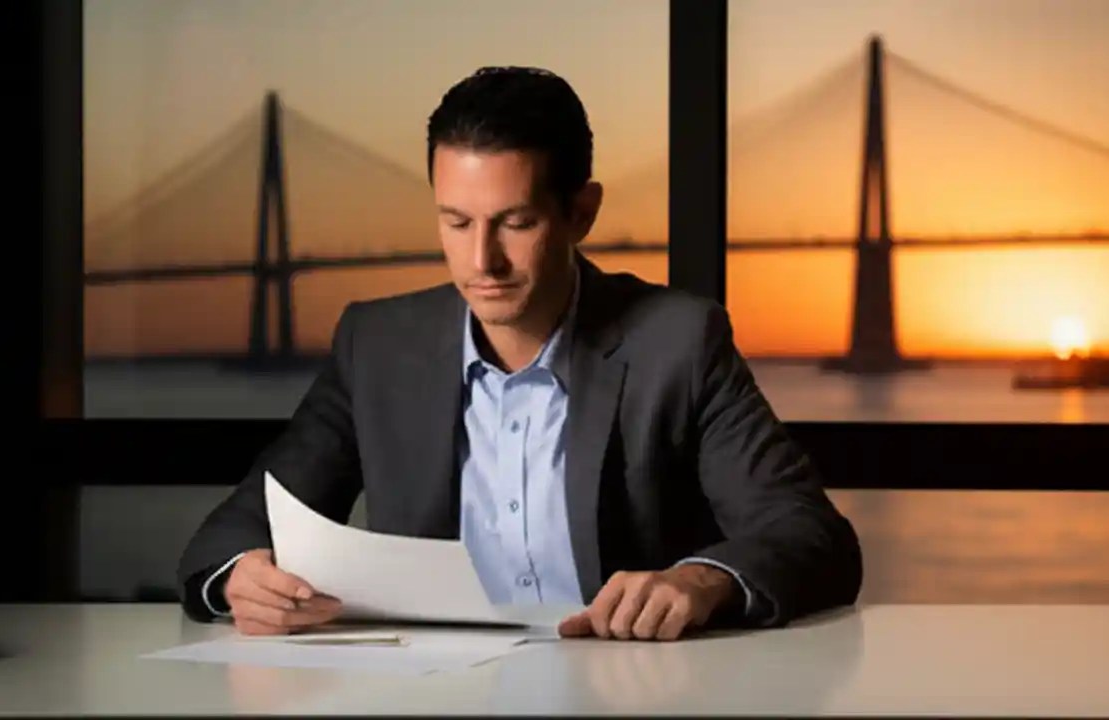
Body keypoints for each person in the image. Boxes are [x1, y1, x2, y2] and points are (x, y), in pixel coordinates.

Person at [177, 66, 862, 641]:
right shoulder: (376, 345)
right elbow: (234, 529)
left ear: (581, 213)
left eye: (516, 222)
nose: (482, 261)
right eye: (456, 222)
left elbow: (812, 537)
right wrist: (241, 572)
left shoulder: (678, 342)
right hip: (431, 697)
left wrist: (702, 580)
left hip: (631, 694)